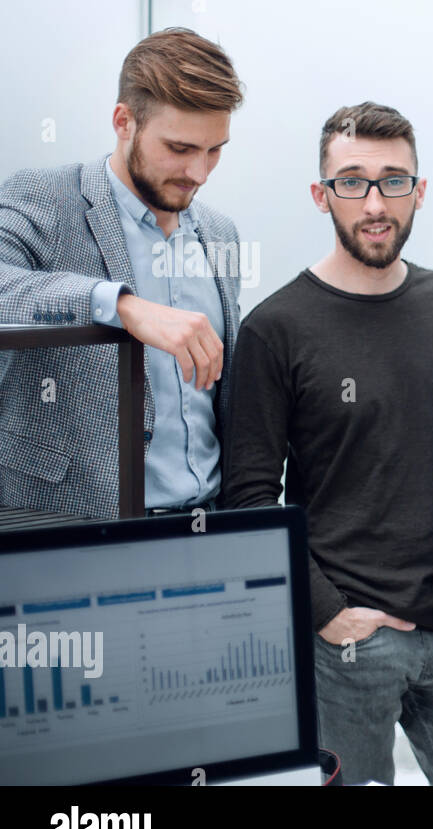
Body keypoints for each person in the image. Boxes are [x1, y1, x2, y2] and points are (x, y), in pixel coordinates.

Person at [223, 103, 433, 786]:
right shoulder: (277, 328)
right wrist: (326, 614)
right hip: (347, 640)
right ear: (321, 195)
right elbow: (250, 495)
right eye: (352, 182)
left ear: (420, 190)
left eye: (394, 181)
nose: (375, 203)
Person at [0, 27, 243, 519]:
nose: (199, 173)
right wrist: (121, 306)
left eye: (214, 150)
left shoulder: (220, 233)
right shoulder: (40, 199)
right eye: (179, 148)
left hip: (207, 523)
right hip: (77, 526)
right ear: (123, 121)